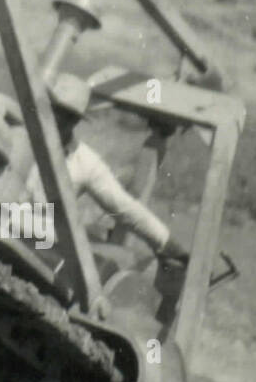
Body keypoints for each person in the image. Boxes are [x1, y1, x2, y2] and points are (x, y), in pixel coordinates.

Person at [26, 73, 189, 265]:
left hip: (34, 237)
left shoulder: (84, 163)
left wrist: (167, 242)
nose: (54, 119)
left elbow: (125, 207)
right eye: (51, 109)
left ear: (74, 121)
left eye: (65, 115)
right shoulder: (21, 130)